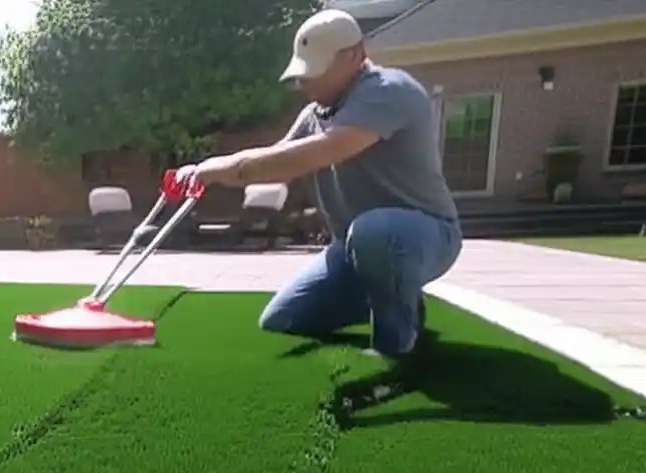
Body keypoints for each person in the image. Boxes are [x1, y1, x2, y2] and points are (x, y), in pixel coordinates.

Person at [178, 9, 463, 358]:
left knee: (375, 232)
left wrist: (212, 169)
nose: (303, 83)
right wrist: (208, 173)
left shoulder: (390, 91)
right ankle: (394, 291)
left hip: (427, 235)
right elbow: (279, 161)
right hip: (352, 248)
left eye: (313, 72)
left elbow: (321, 152)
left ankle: (396, 340)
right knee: (281, 319)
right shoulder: (317, 112)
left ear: (354, 56)